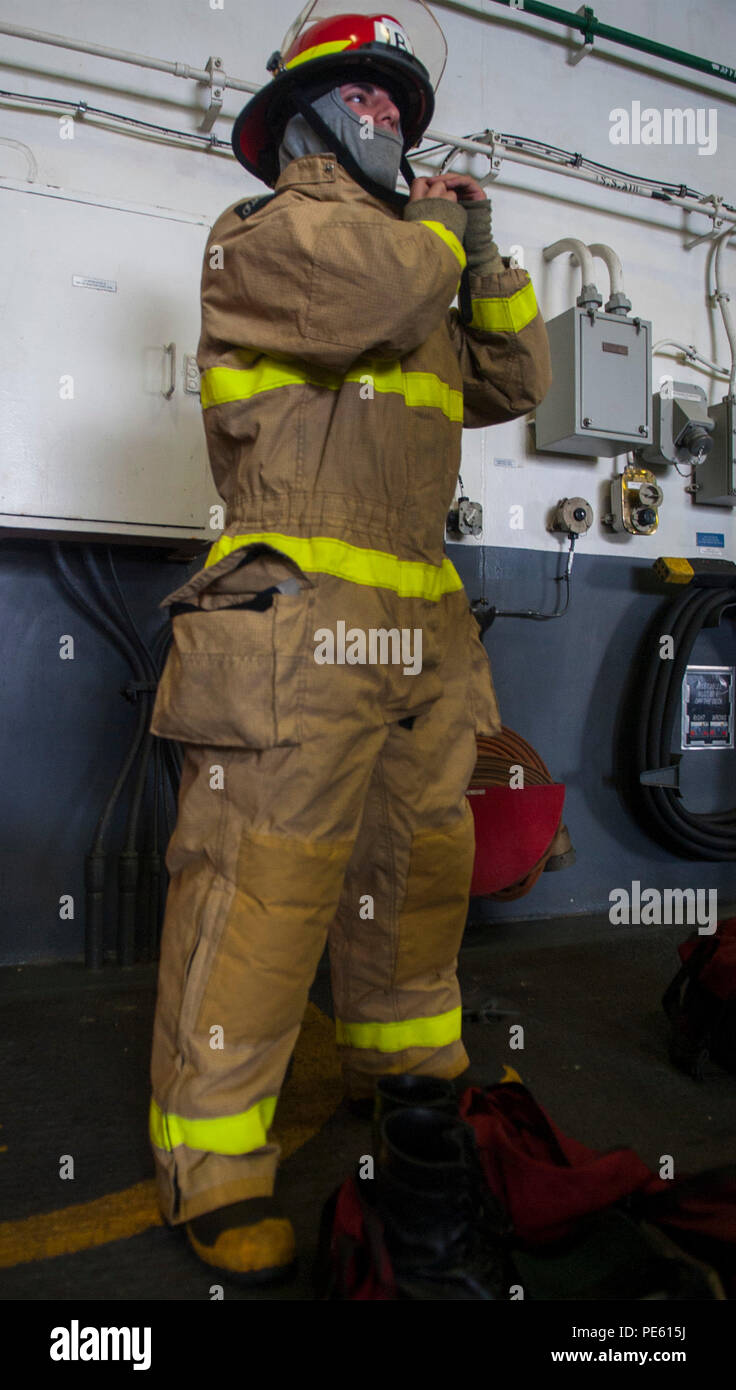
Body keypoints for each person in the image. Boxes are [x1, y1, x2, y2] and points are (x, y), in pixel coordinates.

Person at [148, 3, 552, 1283]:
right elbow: (373, 294)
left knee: (414, 869)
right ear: (309, 121)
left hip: (417, 621)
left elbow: (516, 382)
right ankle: (209, 1163)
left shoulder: (418, 258)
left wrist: (483, 247)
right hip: (296, 609)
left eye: (398, 101)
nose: (388, 118)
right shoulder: (272, 237)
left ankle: (410, 1077)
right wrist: (436, 232)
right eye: (366, 100)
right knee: (260, 888)